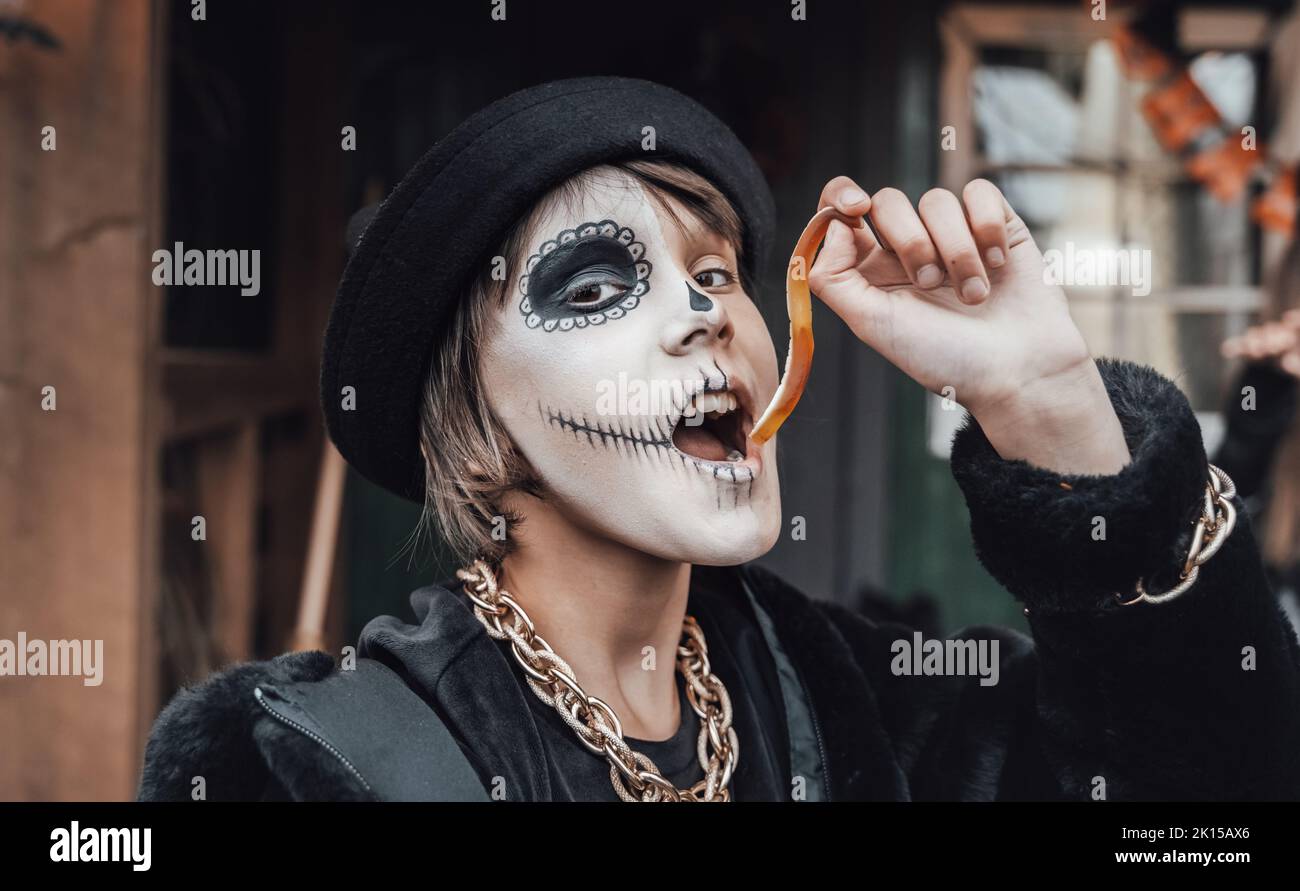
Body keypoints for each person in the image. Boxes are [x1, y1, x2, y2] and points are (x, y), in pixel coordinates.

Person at [137, 76, 1300, 802]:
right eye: (596, 287)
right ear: (475, 412)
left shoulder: (875, 709)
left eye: (711, 272)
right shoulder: (293, 764)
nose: (702, 313)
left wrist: (1045, 398)